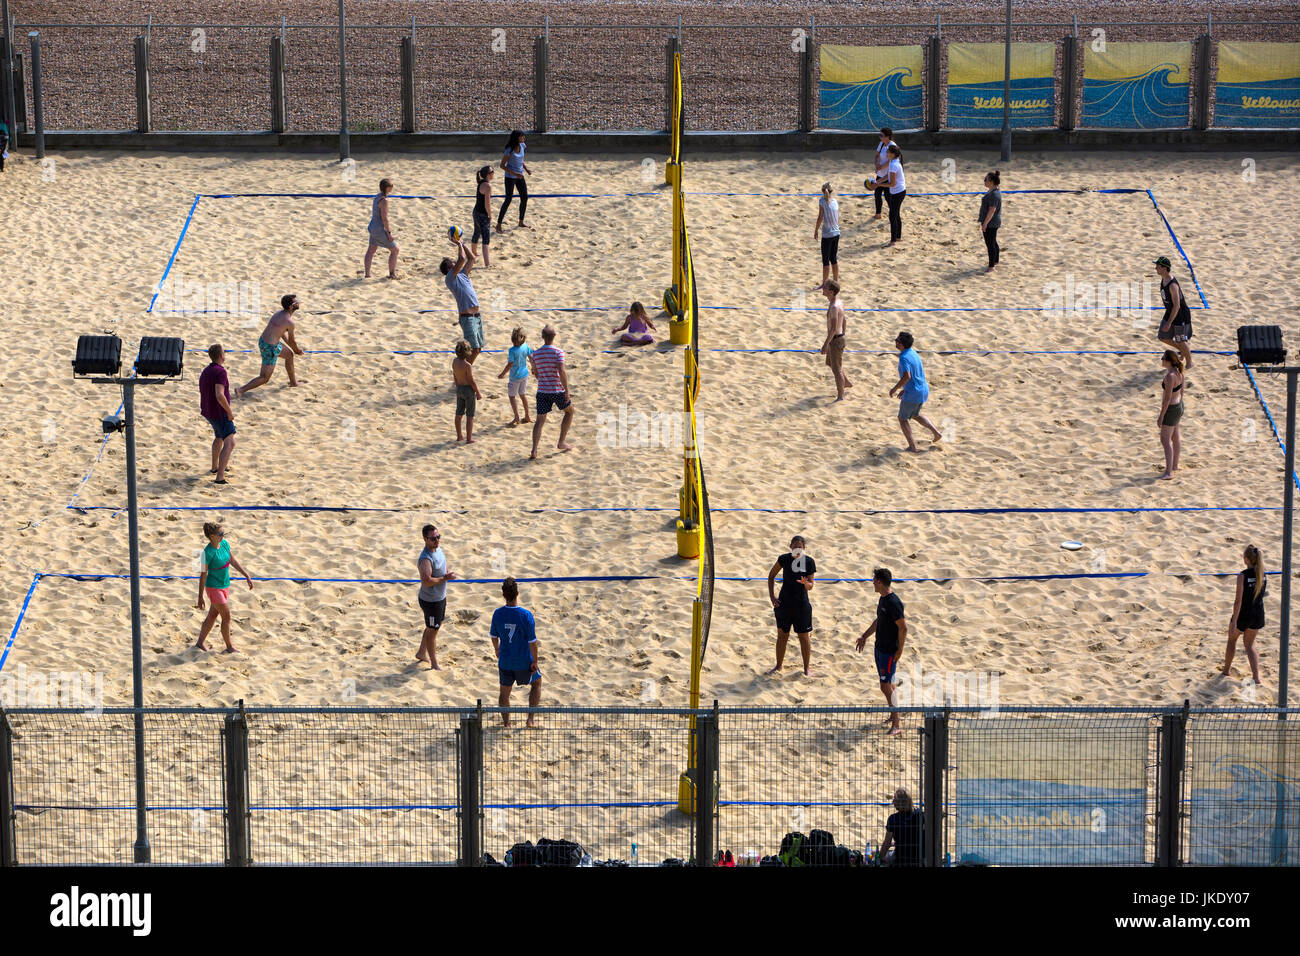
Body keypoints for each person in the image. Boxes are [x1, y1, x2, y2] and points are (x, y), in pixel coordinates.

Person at [856, 568, 907, 736]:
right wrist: (864, 636)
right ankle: (894, 716)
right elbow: (878, 621)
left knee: (885, 686)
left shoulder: (893, 603)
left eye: (874, 580)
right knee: (889, 684)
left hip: (889, 651)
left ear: (879, 582)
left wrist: (899, 650)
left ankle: (897, 724)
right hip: (879, 648)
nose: (872, 583)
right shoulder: (883, 599)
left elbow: (903, 628)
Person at [490, 577, 541, 727]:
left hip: (505, 661)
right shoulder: (525, 615)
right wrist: (535, 661)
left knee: (504, 693)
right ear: (517, 593)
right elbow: (532, 642)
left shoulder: (497, 613)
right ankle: (530, 719)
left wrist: (497, 650)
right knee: (537, 683)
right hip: (523, 662)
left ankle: (507, 723)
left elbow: (494, 637)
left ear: (503, 595)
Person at [195, 521, 253, 653]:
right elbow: (202, 575)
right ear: (211, 536)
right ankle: (229, 647)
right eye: (220, 534)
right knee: (226, 616)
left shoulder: (225, 544)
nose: (223, 536)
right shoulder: (206, 553)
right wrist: (200, 597)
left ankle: (199, 643)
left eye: (223, 533)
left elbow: (233, 561)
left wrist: (246, 575)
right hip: (213, 588)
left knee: (212, 615)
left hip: (225, 585)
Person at [766, 535, 816, 677]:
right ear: (790, 547)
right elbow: (771, 576)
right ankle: (779, 666)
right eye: (795, 547)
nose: (797, 549)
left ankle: (807, 668)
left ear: (804, 548)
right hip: (784, 604)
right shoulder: (784, 559)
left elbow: (811, 585)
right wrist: (772, 596)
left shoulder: (809, 562)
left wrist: (807, 584)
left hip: (802, 605)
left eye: (800, 547)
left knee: (803, 637)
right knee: (782, 635)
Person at [236, 294, 304, 396]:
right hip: (270, 348)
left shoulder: (278, 314)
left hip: (264, 341)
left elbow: (281, 334)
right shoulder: (289, 322)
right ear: (291, 307)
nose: (298, 302)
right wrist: (297, 350)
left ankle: (293, 383)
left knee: (289, 355)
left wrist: (293, 349)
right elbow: (292, 341)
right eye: (296, 302)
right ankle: (240, 390)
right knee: (264, 378)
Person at [528, 324, 576, 459]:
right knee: (570, 411)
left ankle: (534, 450)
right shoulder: (558, 352)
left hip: (542, 391)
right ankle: (561, 441)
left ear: (542, 337)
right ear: (554, 336)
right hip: (557, 390)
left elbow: (536, 374)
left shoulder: (535, 355)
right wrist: (566, 390)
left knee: (539, 421)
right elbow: (561, 371)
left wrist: (540, 374)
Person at [890, 332, 942, 453]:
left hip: (914, 392)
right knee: (915, 415)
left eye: (897, 341)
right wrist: (905, 389)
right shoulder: (913, 352)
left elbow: (907, 376)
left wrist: (895, 388)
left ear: (901, 344)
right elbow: (914, 375)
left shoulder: (903, 357)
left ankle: (912, 447)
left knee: (902, 419)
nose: (895, 342)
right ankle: (937, 433)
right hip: (922, 390)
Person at [416, 524, 456, 670]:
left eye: (438, 537)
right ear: (425, 539)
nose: (437, 540)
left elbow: (443, 567)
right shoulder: (425, 559)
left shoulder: (438, 549)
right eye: (433, 538)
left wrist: (448, 574)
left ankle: (421, 652)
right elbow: (426, 581)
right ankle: (434, 664)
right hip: (430, 600)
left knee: (432, 627)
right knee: (433, 630)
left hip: (439, 597)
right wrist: (444, 579)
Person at [1224, 545, 1266, 685]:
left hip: (1244, 614)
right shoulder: (1262, 573)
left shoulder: (1242, 575)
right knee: (1249, 645)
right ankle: (1256, 677)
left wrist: (1234, 622)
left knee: (1232, 640)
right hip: (1258, 613)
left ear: (1247, 560)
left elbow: (1238, 602)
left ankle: (1226, 670)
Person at [441, 237, 484, 363]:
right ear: (449, 269)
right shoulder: (450, 278)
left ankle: (464, 371)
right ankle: (463, 371)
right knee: (474, 349)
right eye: (452, 263)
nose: (455, 263)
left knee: (478, 348)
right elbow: (462, 258)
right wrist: (458, 245)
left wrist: (463, 244)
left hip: (477, 316)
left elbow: (472, 258)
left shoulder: (463, 274)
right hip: (467, 318)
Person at [199, 344, 237, 484]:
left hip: (208, 410)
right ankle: (220, 476)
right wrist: (229, 411)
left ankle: (215, 467)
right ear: (221, 356)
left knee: (219, 437)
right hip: (219, 411)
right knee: (230, 441)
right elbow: (219, 395)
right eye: (224, 352)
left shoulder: (206, 370)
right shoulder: (220, 372)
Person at [1155, 256, 1194, 371]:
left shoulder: (1172, 285)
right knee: (1162, 336)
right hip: (1170, 311)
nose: (1155, 267)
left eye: (1158, 266)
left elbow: (1177, 305)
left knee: (1181, 340)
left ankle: (1190, 362)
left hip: (1180, 314)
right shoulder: (1164, 279)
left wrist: (1169, 322)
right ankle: (1183, 351)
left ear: (1164, 268)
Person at [869, 143, 906, 246]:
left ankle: (893, 241)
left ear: (893, 154)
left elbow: (892, 183)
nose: (886, 153)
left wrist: (878, 184)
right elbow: (887, 176)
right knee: (895, 214)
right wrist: (878, 181)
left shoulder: (894, 164)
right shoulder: (893, 161)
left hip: (898, 192)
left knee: (892, 216)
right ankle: (898, 237)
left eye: (888, 152)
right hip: (899, 191)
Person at [820, 280, 851, 401]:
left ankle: (841, 395)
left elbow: (833, 329)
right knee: (831, 363)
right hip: (839, 338)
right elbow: (844, 320)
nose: (823, 288)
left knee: (836, 369)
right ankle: (846, 382)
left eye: (825, 287)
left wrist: (825, 344)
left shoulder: (833, 307)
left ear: (831, 291)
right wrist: (843, 333)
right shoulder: (838, 302)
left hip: (836, 340)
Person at [364, 178, 399, 279]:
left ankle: (367, 274)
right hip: (379, 229)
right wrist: (388, 233)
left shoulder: (377, 197)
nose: (392, 189)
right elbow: (385, 218)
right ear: (387, 188)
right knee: (395, 250)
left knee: (371, 250)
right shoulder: (384, 200)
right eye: (391, 187)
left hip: (372, 227)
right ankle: (392, 274)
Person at [498, 326, 534, 427]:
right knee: (523, 395)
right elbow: (531, 357)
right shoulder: (525, 346)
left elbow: (510, 364)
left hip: (515, 377)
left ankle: (517, 416)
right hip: (524, 375)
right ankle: (527, 415)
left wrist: (502, 374)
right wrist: (533, 368)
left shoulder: (512, 350)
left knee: (512, 396)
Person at [496, 129, 531, 232]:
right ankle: (498, 224)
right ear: (517, 138)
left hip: (520, 176)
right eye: (522, 136)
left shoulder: (523, 145)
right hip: (510, 178)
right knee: (508, 200)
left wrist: (526, 169)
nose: (524, 137)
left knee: (524, 198)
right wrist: (515, 174)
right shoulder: (509, 150)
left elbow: (521, 160)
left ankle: (521, 222)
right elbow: (502, 166)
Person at [1158, 349, 1184, 480]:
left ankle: (1169, 472)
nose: (1161, 359)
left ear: (1168, 361)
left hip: (1171, 409)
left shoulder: (1170, 377)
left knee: (1165, 439)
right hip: (1179, 406)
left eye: (1163, 358)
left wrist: (1161, 416)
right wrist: (1181, 406)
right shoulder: (1179, 372)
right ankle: (1175, 465)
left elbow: (1167, 399)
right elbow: (1182, 391)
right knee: (1175, 436)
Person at [879, 788, 924, 867]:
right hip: (920, 857)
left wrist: (879, 858)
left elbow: (887, 843)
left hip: (901, 859)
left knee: (885, 858)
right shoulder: (920, 815)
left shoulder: (893, 819)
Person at [452, 340, 482, 443]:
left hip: (459, 388)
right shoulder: (467, 365)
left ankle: (459, 436)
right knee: (470, 416)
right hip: (468, 390)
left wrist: (457, 386)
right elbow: (471, 380)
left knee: (458, 414)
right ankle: (469, 439)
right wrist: (477, 392)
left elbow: (454, 376)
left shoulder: (454, 361)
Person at [814, 182, 841, 291]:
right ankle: (835, 282)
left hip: (827, 234)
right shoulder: (835, 201)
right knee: (833, 259)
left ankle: (825, 284)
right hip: (836, 233)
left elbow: (820, 217)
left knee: (826, 261)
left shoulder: (822, 201)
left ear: (822, 191)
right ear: (831, 191)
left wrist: (816, 230)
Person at [865, 128, 893, 220]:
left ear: (887, 137)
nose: (880, 137)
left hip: (889, 174)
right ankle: (878, 214)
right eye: (879, 135)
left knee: (888, 196)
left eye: (882, 135)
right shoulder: (881, 144)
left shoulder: (892, 146)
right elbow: (877, 155)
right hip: (880, 173)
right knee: (877, 194)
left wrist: (881, 167)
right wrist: (876, 163)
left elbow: (891, 161)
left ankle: (893, 213)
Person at [471, 165, 495, 268]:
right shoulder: (488, 186)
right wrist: (490, 215)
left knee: (476, 233)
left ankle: (473, 253)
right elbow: (487, 204)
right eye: (493, 172)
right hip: (482, 214)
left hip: (476, 212)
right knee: (486, 239)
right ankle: (487, 264)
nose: (494, 173)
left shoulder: (480, 182)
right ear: (488, 175)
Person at [978, 170, 1002, 272]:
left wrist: (985, 224)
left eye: (986, 180)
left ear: (991, 181)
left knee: (990, 244)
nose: (984, 181)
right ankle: (995, 261)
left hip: (991, 223)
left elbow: (992, 210)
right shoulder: (993, 191)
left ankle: (991, 266)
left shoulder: (994, 195)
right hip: (992, 221)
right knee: (993, 242)